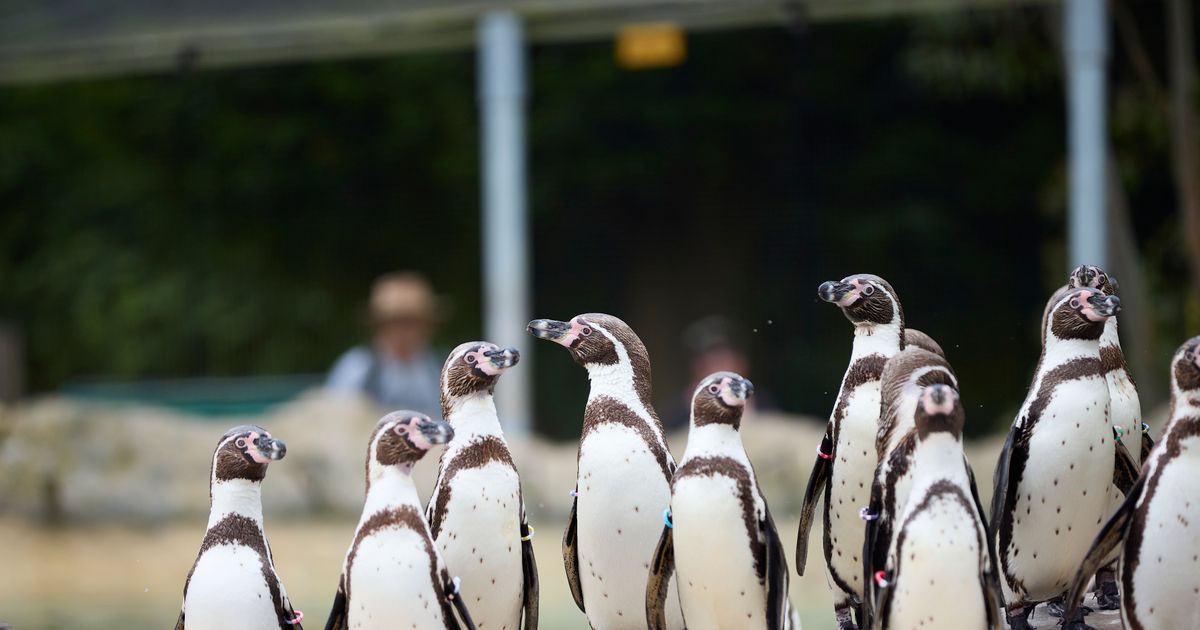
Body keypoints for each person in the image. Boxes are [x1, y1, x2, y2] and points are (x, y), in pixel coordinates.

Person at [326, 272, 444, 418]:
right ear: (379, 324)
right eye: (396, 322)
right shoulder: (356, 367)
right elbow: (337, 420)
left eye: (412, 322)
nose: (404, 330)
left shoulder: (443, 366)